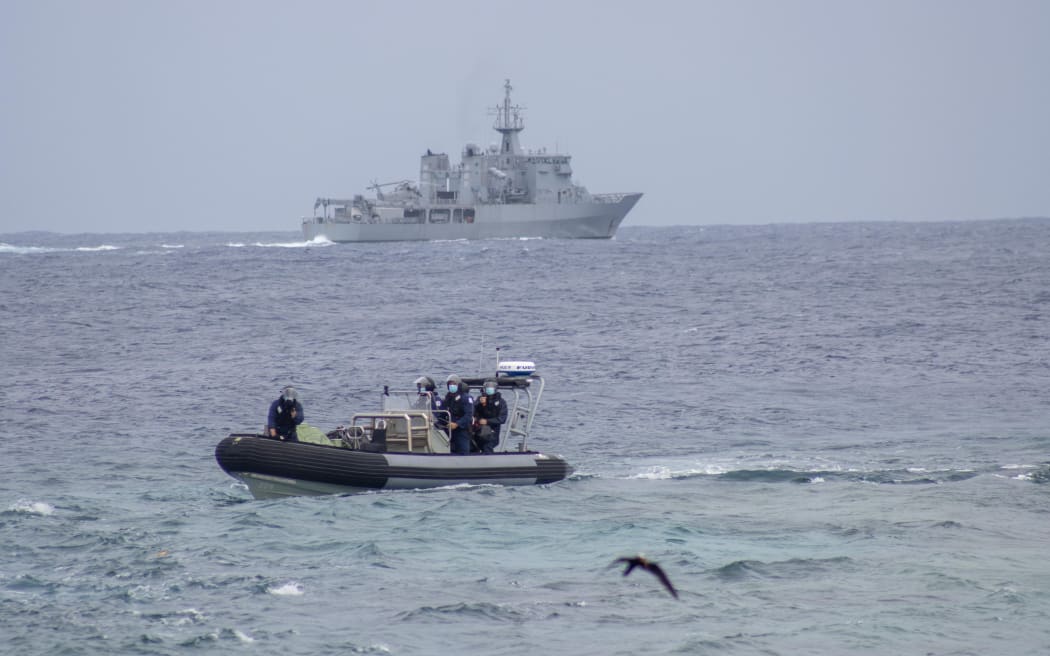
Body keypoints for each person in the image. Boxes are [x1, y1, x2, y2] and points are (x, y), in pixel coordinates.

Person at [473, 378, 508, 453]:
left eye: (492, 387)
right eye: (488, 387)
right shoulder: (479, 399)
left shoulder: (501, 402)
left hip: (493, 432)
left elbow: (502, 418)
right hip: (478, 430)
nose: (489, 389)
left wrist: (487, 421)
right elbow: (472, 411)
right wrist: (480, 404)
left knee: (487, 446)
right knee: (472, 444)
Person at [442, 374, 474, 455]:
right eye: (450, 384)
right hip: (449, 429)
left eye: (454, 384)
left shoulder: (466, 398)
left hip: (462, 429)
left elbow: (468, 415)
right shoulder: (448, 398)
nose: (452, 386)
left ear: (458, 385)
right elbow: (443, 412)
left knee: (463, 450)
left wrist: (457, 424)